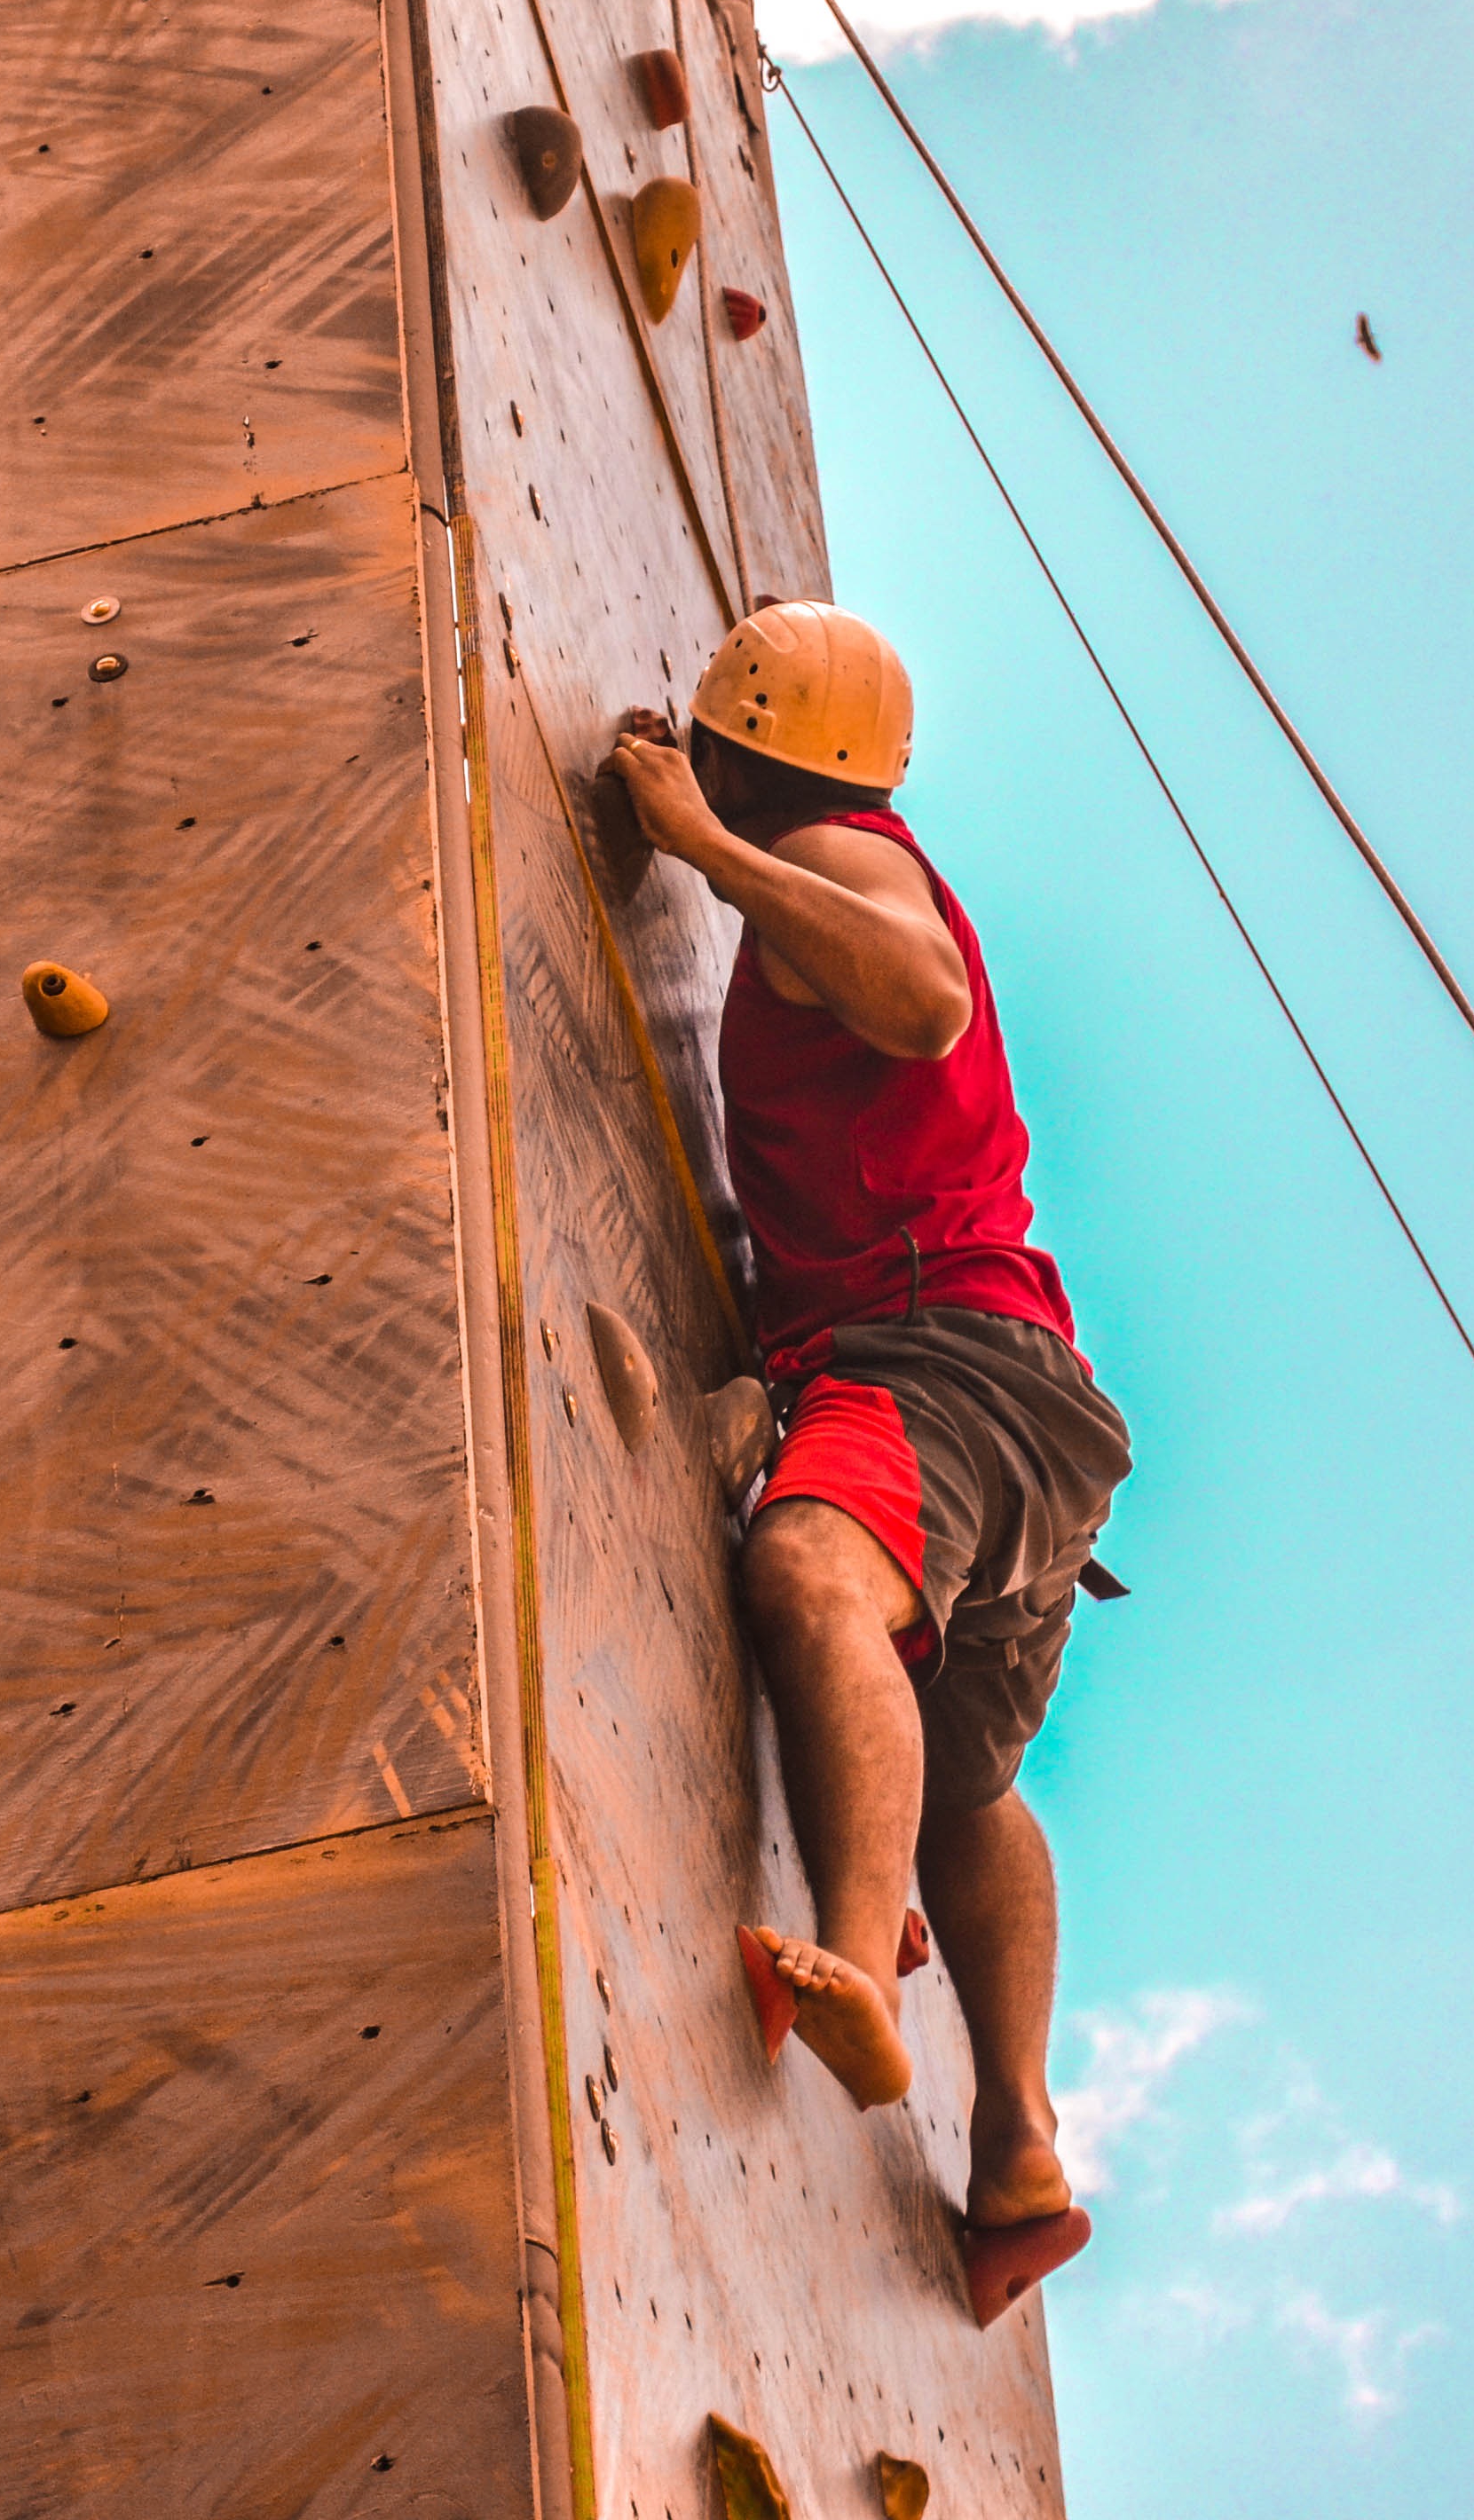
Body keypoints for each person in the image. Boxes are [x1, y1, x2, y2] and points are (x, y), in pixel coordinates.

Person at [609, 600, 1131, 2330]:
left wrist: (689, 844)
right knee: (975, 1789)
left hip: (934, 1362)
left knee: (810, 1570)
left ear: (749, 759)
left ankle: (856, 1964)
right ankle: (1023, 2166)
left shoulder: (843, 851)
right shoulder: (842, 848)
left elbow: (916, 998)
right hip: (1024, 1407)